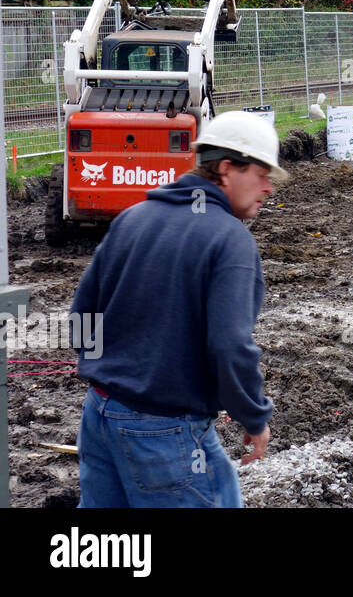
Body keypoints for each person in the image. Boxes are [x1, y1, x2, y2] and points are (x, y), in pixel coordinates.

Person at [71, 111, 288, 507]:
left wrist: (107, 372)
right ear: (226, 169)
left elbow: (82, 315)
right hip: (164, 431)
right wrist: (254, 415)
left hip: (99, 417)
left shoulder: (133, 219)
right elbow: (229, 345)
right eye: (261, 173)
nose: (268, 188)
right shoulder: (230, 240)